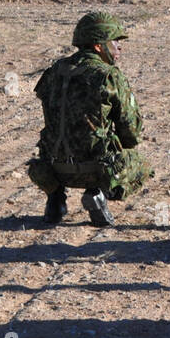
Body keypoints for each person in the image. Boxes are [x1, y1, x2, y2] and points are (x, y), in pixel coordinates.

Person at [27, 11, 152, 226]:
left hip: (54, 170)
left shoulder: (55, 71)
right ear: (97, 46)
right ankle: (97, 194)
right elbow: (132, 131)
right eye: (114, 42)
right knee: (142, 164)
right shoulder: (108, 75)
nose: (119, 47)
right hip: (95, 170)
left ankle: (55, 200)